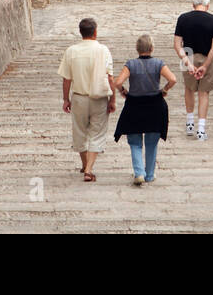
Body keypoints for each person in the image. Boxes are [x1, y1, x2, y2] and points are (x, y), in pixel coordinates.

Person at [113, 35, 177, 186]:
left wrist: (123, 91)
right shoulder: (158, 63)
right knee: (151, 142)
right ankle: (149, 174)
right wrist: (165, 90)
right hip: (154, 105)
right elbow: (173, 79)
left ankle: (139, 172)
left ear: (137, 49)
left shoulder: (131, 64)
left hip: (134, 105)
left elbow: (118, 82)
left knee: (134, 142)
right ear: (152, 48)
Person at [58, 17, 116, 182]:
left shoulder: (71, 51)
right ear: (95, 32)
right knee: (97, 133)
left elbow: (66, 79)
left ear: (80, 32)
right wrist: (112, 100)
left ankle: (85, 165)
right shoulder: (103, 50)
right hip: (99, 98)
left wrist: (65, 99)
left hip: (79, 98)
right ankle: (89, 169)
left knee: (80, 132)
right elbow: (110, 78)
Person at [174, 0, 213, 141]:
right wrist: (206, 66)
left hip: (189, 56)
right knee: (204, 92)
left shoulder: (183, 18)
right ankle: (201, 129)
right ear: (207, 6)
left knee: (189, 89)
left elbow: (177, 45)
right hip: (207, 58)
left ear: (193, 5)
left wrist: (188, 63)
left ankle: (190, 122)